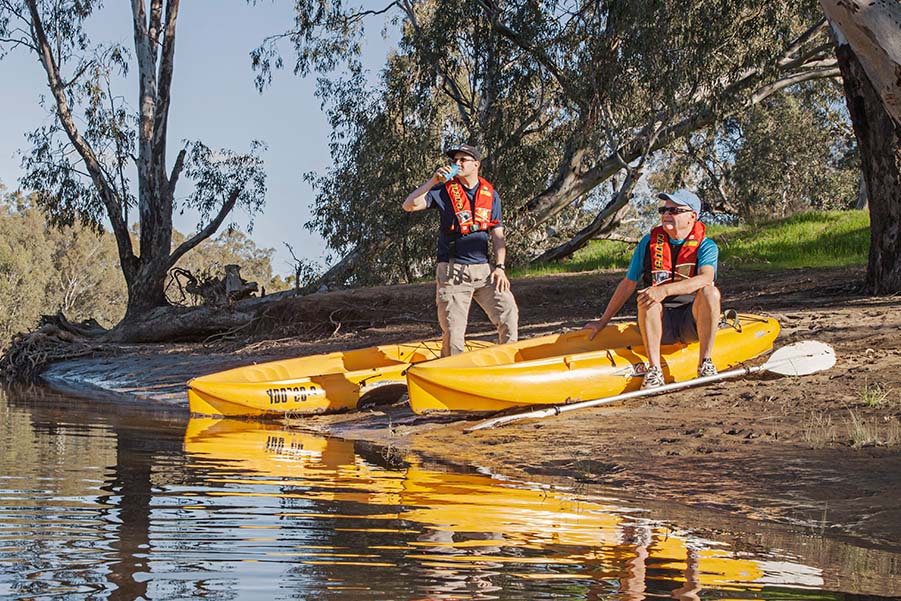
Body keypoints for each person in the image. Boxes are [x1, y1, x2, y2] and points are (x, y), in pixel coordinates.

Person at [583, 189, 720, 389]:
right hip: (659, 321)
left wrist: (664, 290)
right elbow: (628, 284)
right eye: (663, 210)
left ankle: (705, 363)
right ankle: (654, 370)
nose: (666, 214)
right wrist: (602, 321)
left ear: (692, 216)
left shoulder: (706, 246)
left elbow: (706, 278)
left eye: (674, 210)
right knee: (647, 297)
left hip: (691, 320)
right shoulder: (648, 243)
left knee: (711, 293)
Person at [403, 144, 519, 356]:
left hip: (484, 271)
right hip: (453, 271)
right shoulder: (444, 190)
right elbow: (409, 205)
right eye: (455, 160)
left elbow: (498, 235)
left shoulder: (490, 194)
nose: (457, 164)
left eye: (462, 160)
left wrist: (500, 267)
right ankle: (452, 375)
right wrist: (433, 181)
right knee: (454, 332)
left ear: (476, 164)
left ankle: (509, 363)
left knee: (508, 313)